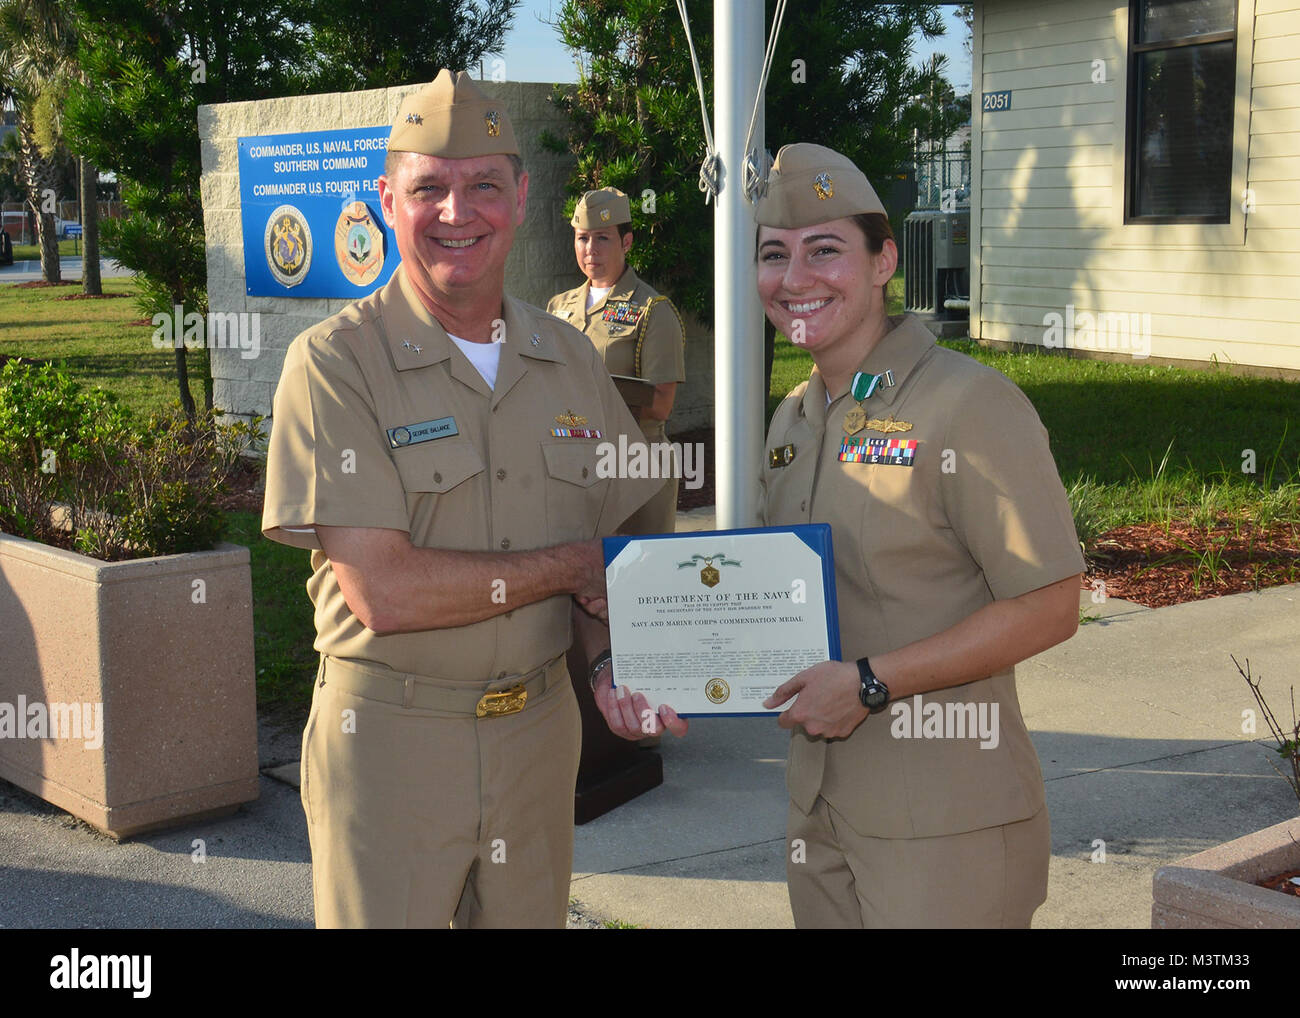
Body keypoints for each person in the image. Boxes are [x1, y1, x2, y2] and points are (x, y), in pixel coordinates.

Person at [260, 70, 663, 928]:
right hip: (392, 746)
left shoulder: (571, 359)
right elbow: (386, 590)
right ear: (385, 200)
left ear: (520, 196)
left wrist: (604, 661)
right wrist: (573, 567)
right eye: (428, 189)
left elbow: (603, 559)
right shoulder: (336, 365)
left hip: (539, 737)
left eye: (484, 185)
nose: (458, 212)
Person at [753, 143, 1086, 928]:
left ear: (883, 261)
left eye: (825, 250)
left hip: (946, 821)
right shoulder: (794, 418)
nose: (795, 278)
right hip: (821, 804)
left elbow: (1051, 603)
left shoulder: (967, 404)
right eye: (775, 255)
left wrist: (871, 682)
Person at [547, 188, 686, 535]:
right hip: (573, 466)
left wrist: (585, 391)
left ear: (627, 242)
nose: (590, 249)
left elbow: (661, 405)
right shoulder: (557, 307)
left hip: (635, 465)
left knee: (640, 579)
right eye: (582, 238)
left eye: (603, 238)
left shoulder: (653, 310)